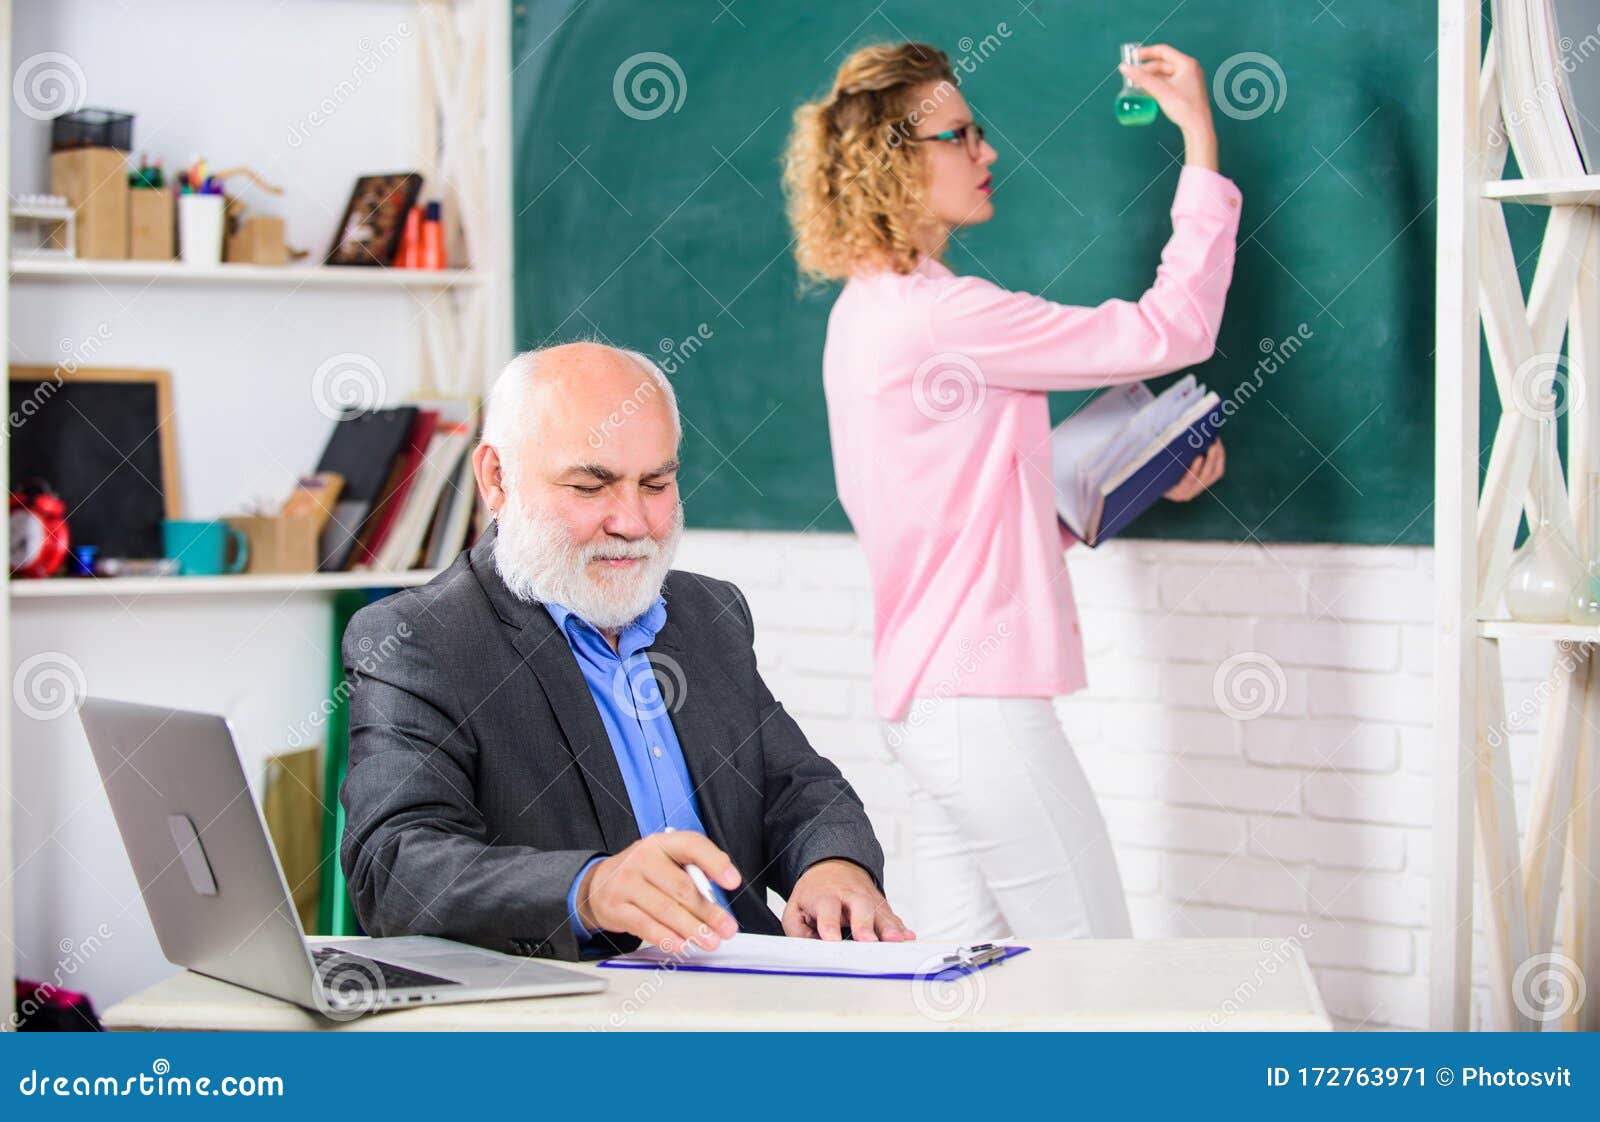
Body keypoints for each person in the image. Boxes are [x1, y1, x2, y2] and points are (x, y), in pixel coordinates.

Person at [781, 42, 1240, 941]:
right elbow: (1170, 329)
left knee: (968, 989)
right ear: (893, 162)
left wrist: (1129, 472)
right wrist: (1198, 138)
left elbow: (958, 509)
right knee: (1097, 976)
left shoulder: (874, 311)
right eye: (961, 135)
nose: (987, 153)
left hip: (933, 704)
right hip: (980, 706)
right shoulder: (943, 317)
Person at [339, 342, 913, 961]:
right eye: (591, 486)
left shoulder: (708, 616)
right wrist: (587, 889)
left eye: (657, 483)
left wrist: (831, 864)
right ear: (496, 478)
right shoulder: (418, 640)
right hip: (573, 1018)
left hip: (750, 997)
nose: (633, 522)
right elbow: (394, 865)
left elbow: (794, 786)